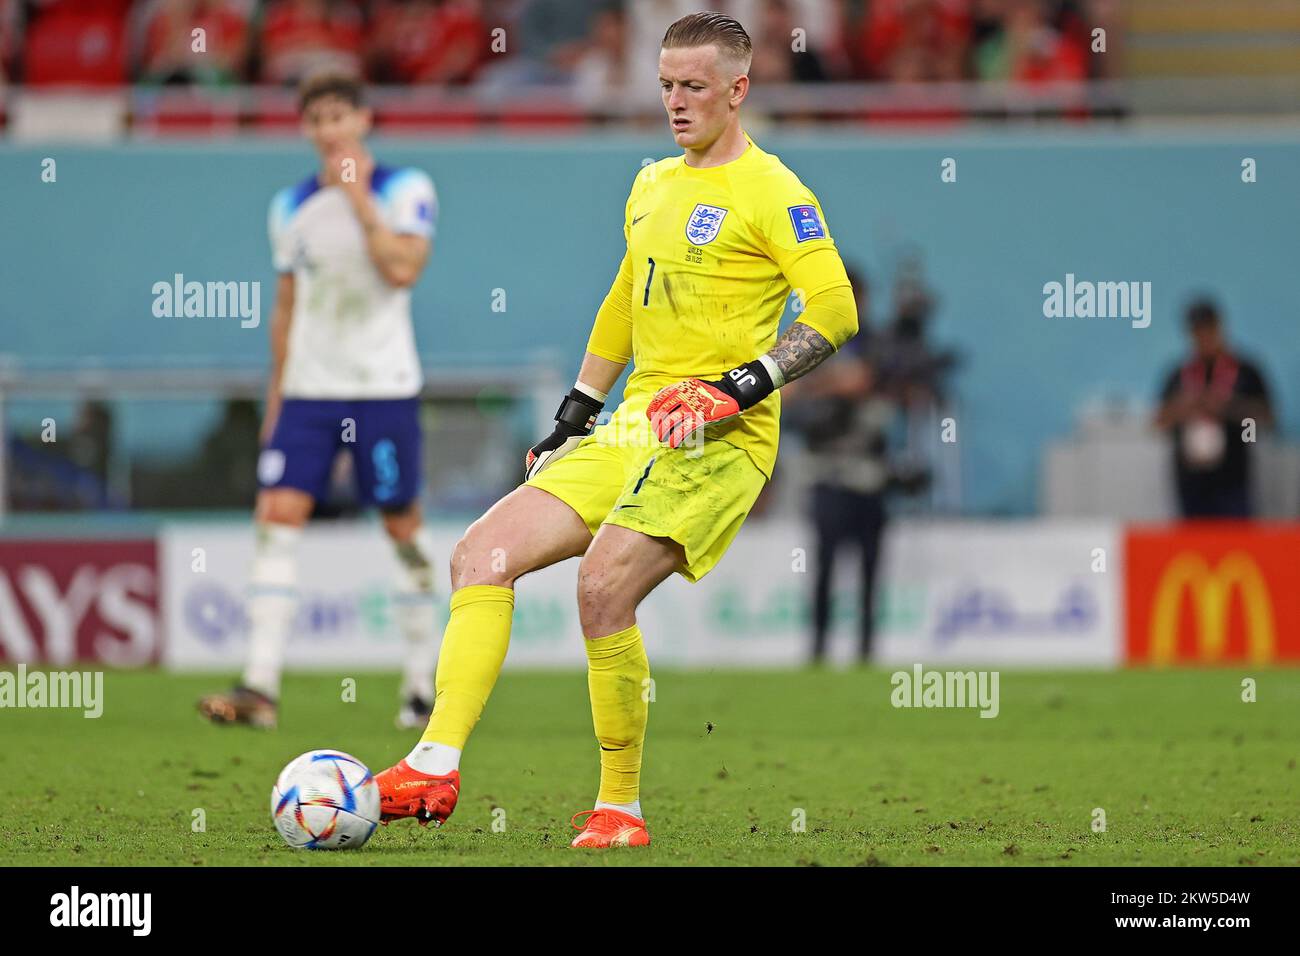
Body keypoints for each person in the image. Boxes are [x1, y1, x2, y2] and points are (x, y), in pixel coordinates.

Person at [373, 11, 858, 849]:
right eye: (666, 84)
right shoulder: (652, 184)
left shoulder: (776, 193)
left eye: (693, 87)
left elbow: (837, 310)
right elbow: (623, 303)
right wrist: (575, 415)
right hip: (635, 423)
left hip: (719, 439)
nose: (675, 101)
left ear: (738, 90)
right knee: (480, 555)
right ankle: (434, 763)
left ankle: (620, 808)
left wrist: (739, 387)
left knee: (601, 590)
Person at [198, 73, 440, 729]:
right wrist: (275, 397)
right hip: (308, 392)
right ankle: (260, 686)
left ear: (364, 117)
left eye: (340, 114)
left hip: (382, 389)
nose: (329, 129)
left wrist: (358, 198)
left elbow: (402, 269)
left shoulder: (405, 190)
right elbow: (286, 307)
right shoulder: (288, 206)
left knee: (400, 528)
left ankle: (422, 685)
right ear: (304, 129)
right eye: (316, 119)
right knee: (275, 519)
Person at [784, 270, 892, 663]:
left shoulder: (877, 342)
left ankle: (866, 651)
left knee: (870, 569)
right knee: (824, 567)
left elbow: (868, 381)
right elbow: (790, 394)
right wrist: (829, 384)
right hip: (825, 473)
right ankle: (818, 651)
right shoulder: (810, 338)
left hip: (870, 475)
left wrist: (822, 382)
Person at [1154, 298, 1274, 518]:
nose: (1204, 337)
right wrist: (1184, 408)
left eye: (1208, 329)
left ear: (1220, 328)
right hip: (1191, 480)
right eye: (1197, 331)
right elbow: (1158, 423)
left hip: (1234, 479)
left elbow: (1265, 421)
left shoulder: (1246, 372)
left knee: (1236, 546)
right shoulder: (1179, 374)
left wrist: (1229, 408)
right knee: (1193, 547)